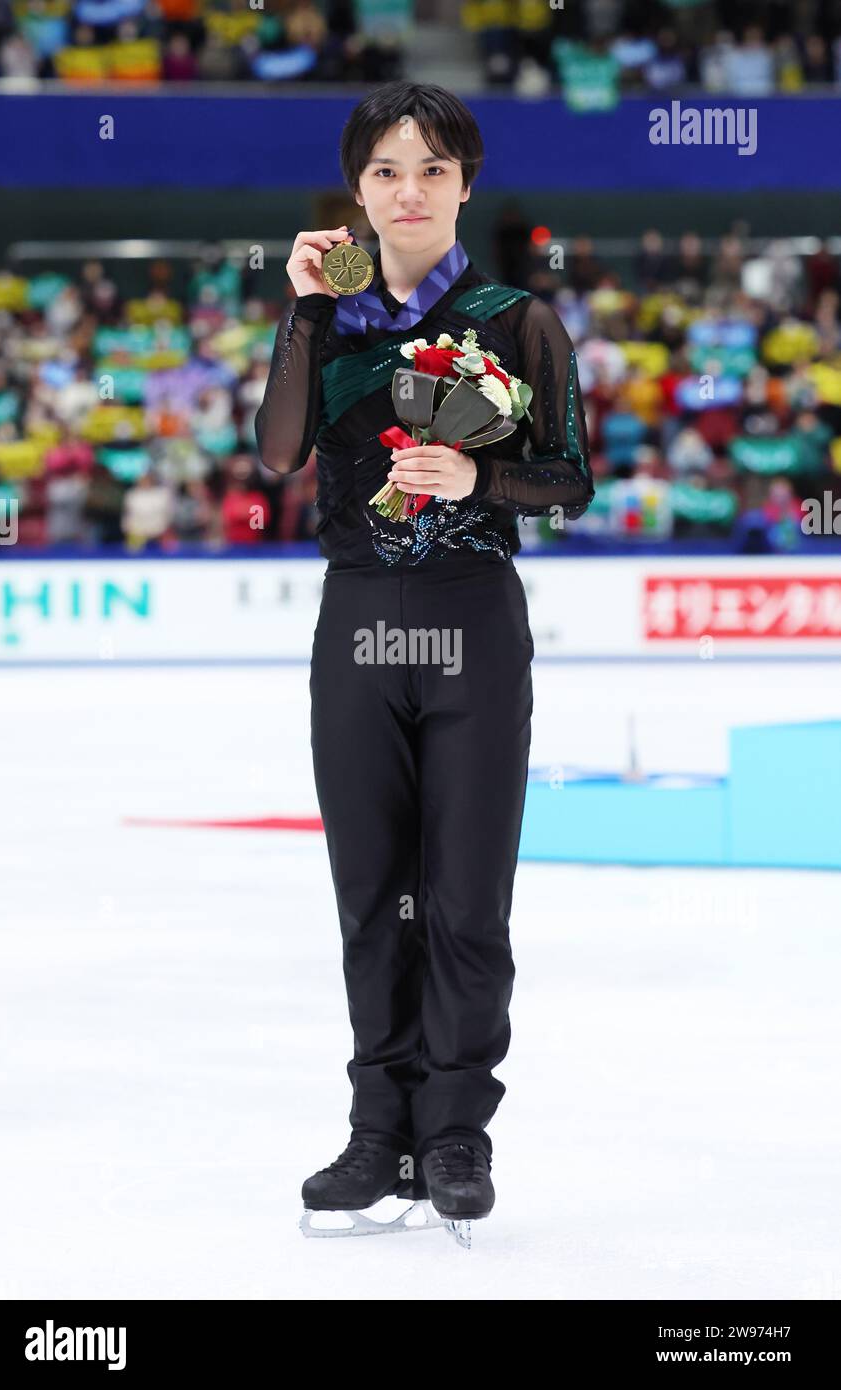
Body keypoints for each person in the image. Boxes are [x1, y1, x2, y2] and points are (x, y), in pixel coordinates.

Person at [255, 80, 594, 1232]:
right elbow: (275, 452)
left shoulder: (517, 319)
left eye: (432, 170)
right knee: (369, 895)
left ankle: (453, 1132)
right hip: (356, 618)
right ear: (356, 187)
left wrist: (480, 478)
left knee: (461, 896)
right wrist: (304, 308)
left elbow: (569, 480)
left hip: (471, 623)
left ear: (465, 183)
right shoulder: (329, 315)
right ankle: (374, 1132)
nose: (408, 191)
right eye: (386, 171)